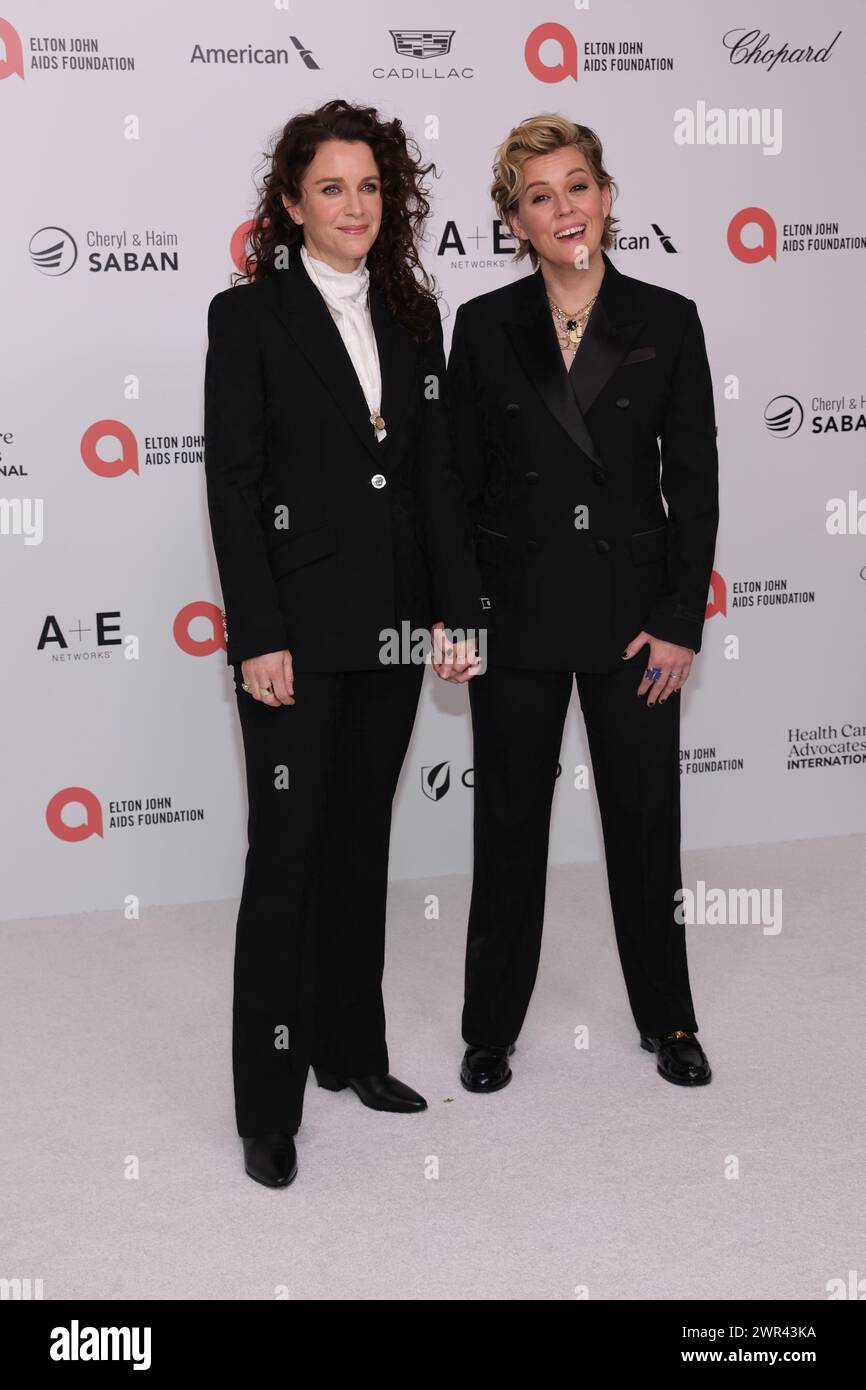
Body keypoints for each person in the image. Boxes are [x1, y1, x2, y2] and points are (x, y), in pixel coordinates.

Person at [203, 99, 486, 1188]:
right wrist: (257, 635)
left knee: (359, 849)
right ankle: (266, 1104)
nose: (353, 204)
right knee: (284, 863)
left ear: (391, 197)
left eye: (369, 186)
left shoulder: (416, 316)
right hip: (293, 639)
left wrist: (455, 613)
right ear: (290, 204)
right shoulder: (249, 318)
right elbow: (232, 488)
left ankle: (349, 1052)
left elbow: (430, 481)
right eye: (330, 187)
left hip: (389, 628)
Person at [442, 113, 719, 1094]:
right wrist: (457, 609)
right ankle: (488, 1028)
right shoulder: (480, 326)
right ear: (513, 220)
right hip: (513, 610)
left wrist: (680, 620)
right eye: (538, 195)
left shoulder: (667, 316)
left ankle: (669, 1018)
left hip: (632, 616)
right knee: (507, 821)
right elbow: (454, 484)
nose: (563, 208)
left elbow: (691, 482)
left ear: (605, 195)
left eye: (576, 186)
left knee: (646, 820)